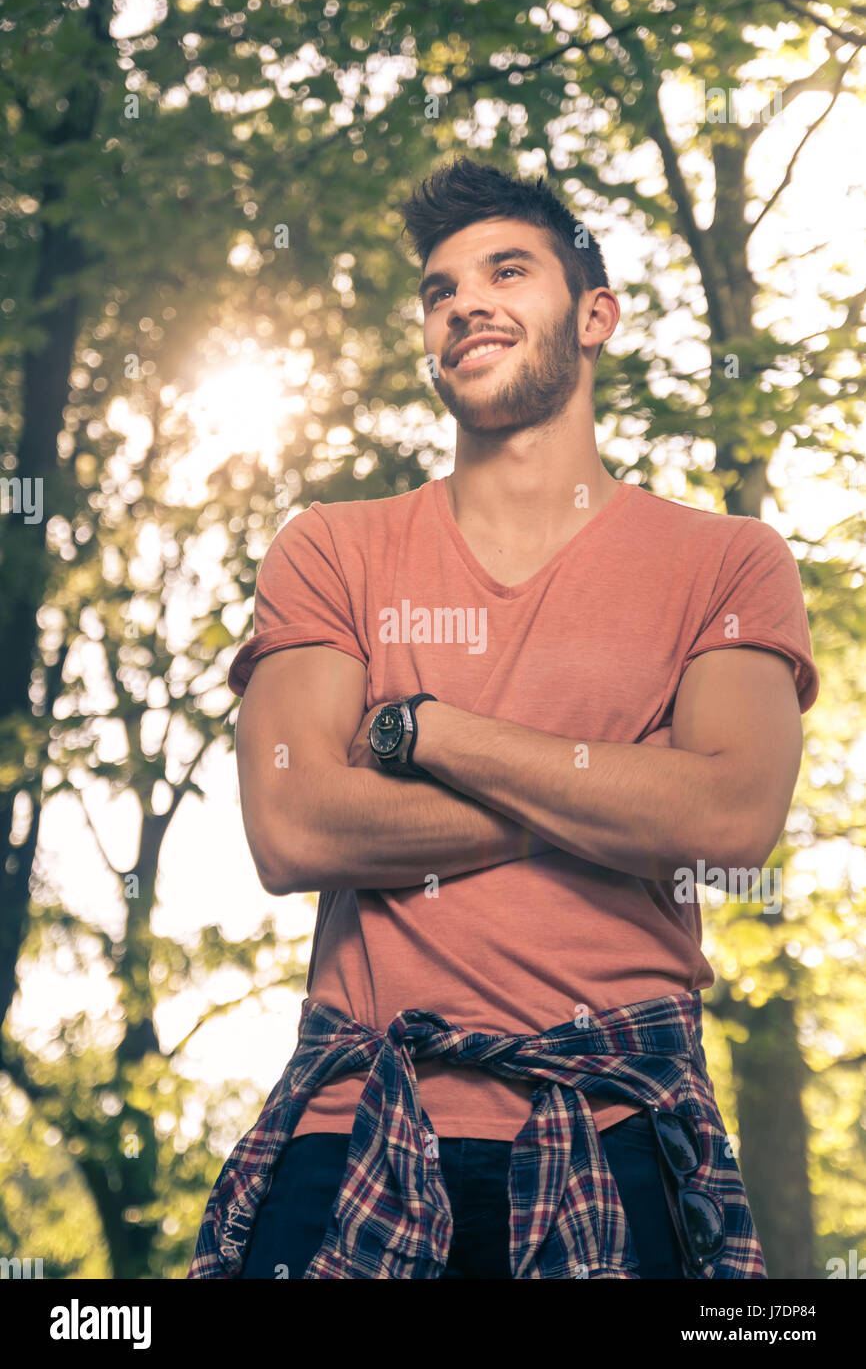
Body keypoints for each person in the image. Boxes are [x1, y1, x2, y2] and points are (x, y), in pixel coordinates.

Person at [188, 157, 819, 1280]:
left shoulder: (727, 560)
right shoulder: (330, 545)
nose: (462, 302)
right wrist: (618, 792)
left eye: (506, 270)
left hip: (622, 1132)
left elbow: (725, 817)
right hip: (354, 1130)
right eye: (438, 290)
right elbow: (291, 826)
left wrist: (426, 732)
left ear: (594, 315)